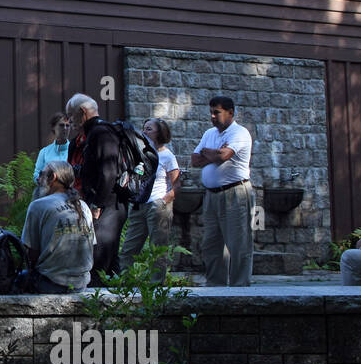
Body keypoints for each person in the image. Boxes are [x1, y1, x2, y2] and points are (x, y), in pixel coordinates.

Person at [191, 95, 254, 286]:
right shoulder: (209, 133)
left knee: (238, 243)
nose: (212, 116)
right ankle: (215, 284)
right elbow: (195, 160)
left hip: (234, 193)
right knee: (211, 243)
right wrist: (215, 154)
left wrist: (212, 153)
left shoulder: (239, 133)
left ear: (230, 113)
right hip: (211, 194)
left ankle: (239, 286)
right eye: (211, 112)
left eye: (216, 112)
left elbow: (225, 155)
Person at [65, 93, 127, 287]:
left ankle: (96, 303)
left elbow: (109, 172)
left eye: (72, 116)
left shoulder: (101, 133)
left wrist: (96, 205)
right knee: (108, 260)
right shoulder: (91, 134)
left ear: (82, 113)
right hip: (104, 203)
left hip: (109, 204)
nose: (70, 121)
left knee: (99, 258)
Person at [118, 118, 180, 281]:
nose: (144, 132)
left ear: (160, 133)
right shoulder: (141, 154)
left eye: (149, 129)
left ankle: (156, 286)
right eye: (144, 129)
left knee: (157, 249)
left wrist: (164, 201)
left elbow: (176, 184)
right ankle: (125, 283)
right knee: (129, 248)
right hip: (139, 205)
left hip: (157, 205)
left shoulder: (167, 156)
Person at [21, 160, 95, 293]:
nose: (38, 179)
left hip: (51, 283)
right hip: (81, 285)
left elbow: (31, 254)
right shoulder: (83, 206)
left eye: (41, 174)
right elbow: (90, 247)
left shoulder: (38, 206)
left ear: (53, 177)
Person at [32, 112, 70, 201]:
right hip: (46, 196)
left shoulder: (74, 150)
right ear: (53, 127)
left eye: (67, 125)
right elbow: (36, 174)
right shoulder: (44, 152)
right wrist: (42, 180)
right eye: (61, 125)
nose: (65, 128)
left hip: (68, 197)